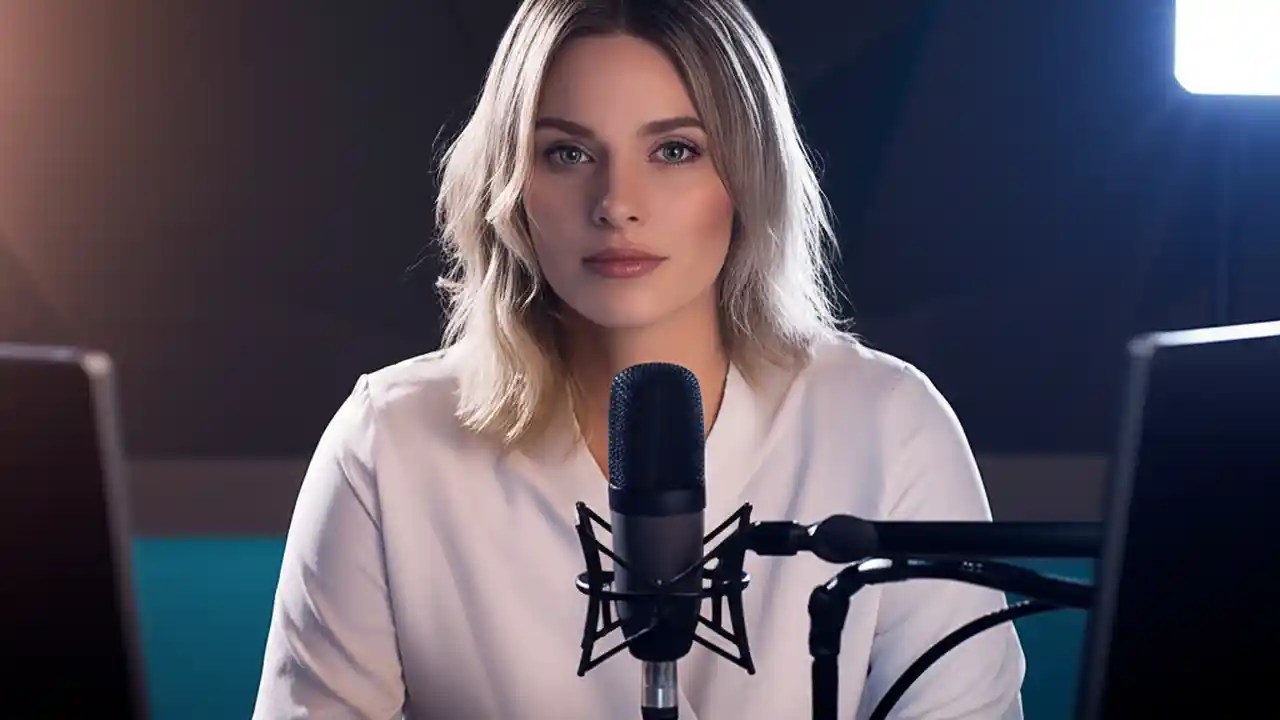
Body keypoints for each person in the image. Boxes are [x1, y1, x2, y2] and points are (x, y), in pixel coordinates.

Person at [252, 0, 1026, 717]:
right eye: (566, 153)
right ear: (510, 185)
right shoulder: (389, 444)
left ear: (748, 176)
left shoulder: (888, 426)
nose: (617, 203)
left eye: (674, 150)